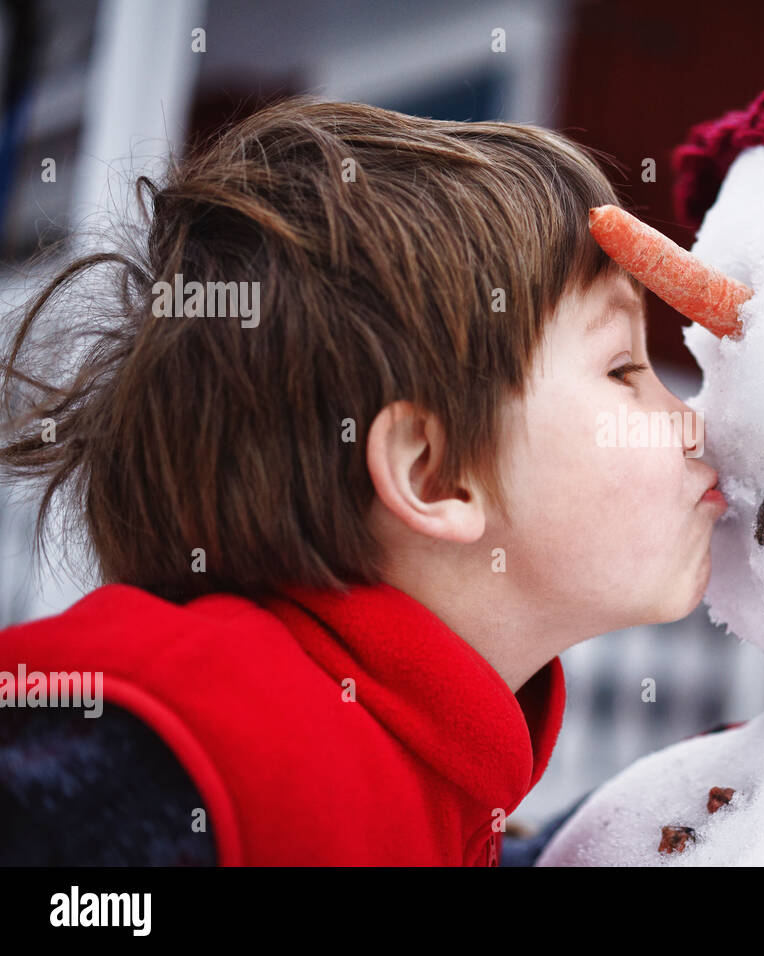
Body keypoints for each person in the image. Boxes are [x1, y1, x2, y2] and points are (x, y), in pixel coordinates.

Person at [0, 97, 725, 865]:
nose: (694, 422)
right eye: (621, 369)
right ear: (434, 474)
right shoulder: (186, 739)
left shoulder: (426, 772)